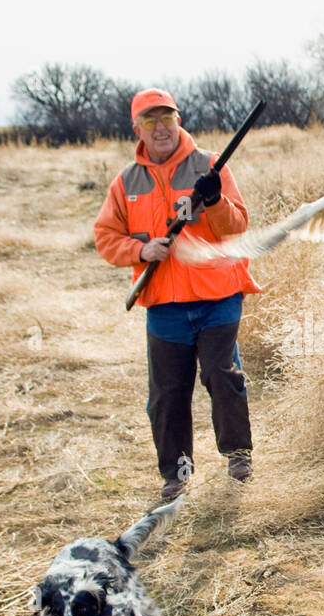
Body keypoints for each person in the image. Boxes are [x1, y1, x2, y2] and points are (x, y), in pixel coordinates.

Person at [93, 88, 261, 500]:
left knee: (221, 375)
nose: (161, 128)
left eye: (167, 118)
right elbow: (104, 237)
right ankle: (177, 473)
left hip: (218, 295)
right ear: (138, 129)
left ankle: (238, 456)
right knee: (168, 394)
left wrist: (216, 199)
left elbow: (237, 228)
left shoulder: (208, 165)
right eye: (150, 121)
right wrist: (141, 250)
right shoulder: (126, 182)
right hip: (164, 305)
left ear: (179, 120)